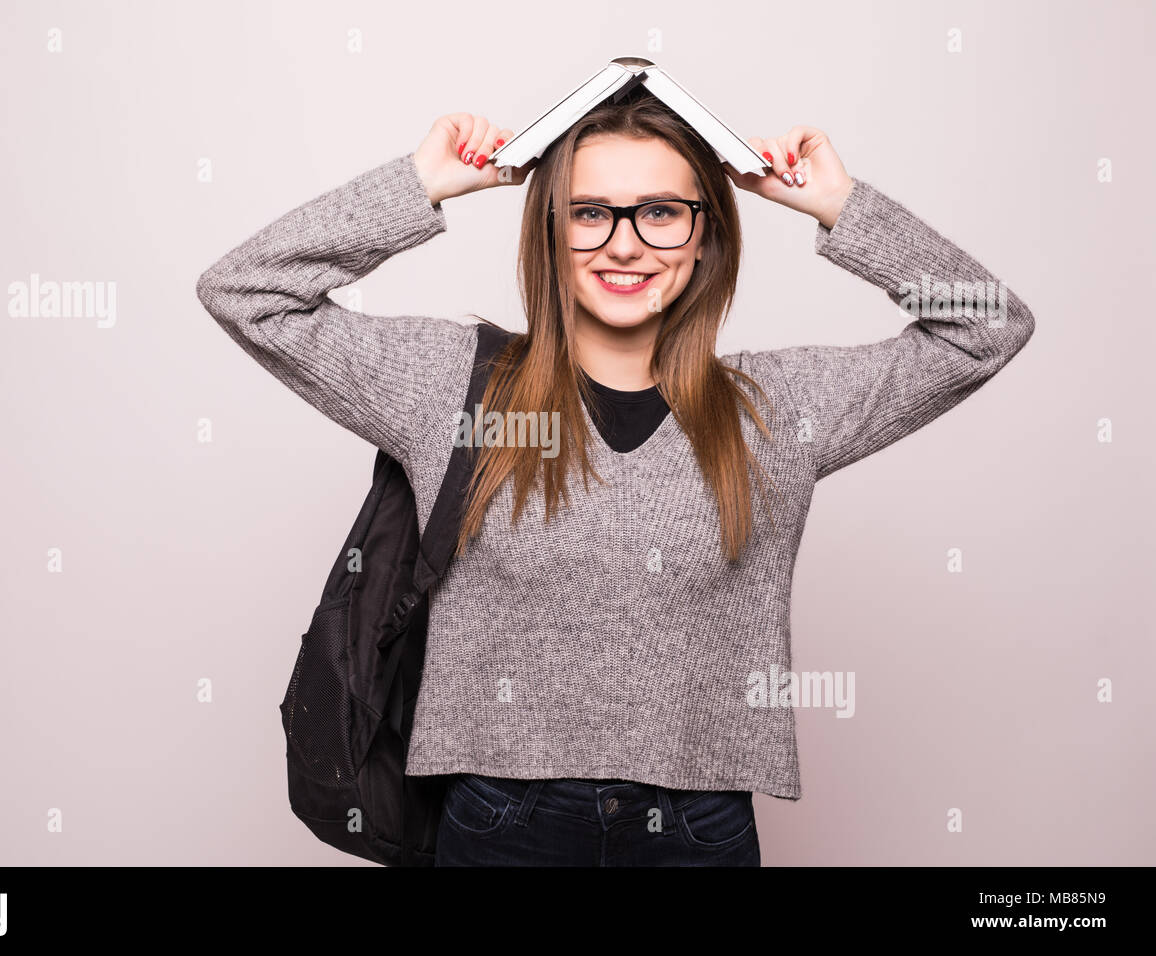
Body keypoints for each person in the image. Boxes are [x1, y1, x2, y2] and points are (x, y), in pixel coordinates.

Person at [195, 86, 1035, 866]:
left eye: (662, 212)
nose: (625, 243)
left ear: (706, 233)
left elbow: (989, 327)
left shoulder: (779, 410)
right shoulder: (451, 385)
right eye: (590, 213)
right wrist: (421, 184)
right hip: (496, 825)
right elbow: (247, 291)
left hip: (702, 831)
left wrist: (841, 208)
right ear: (549, 230)